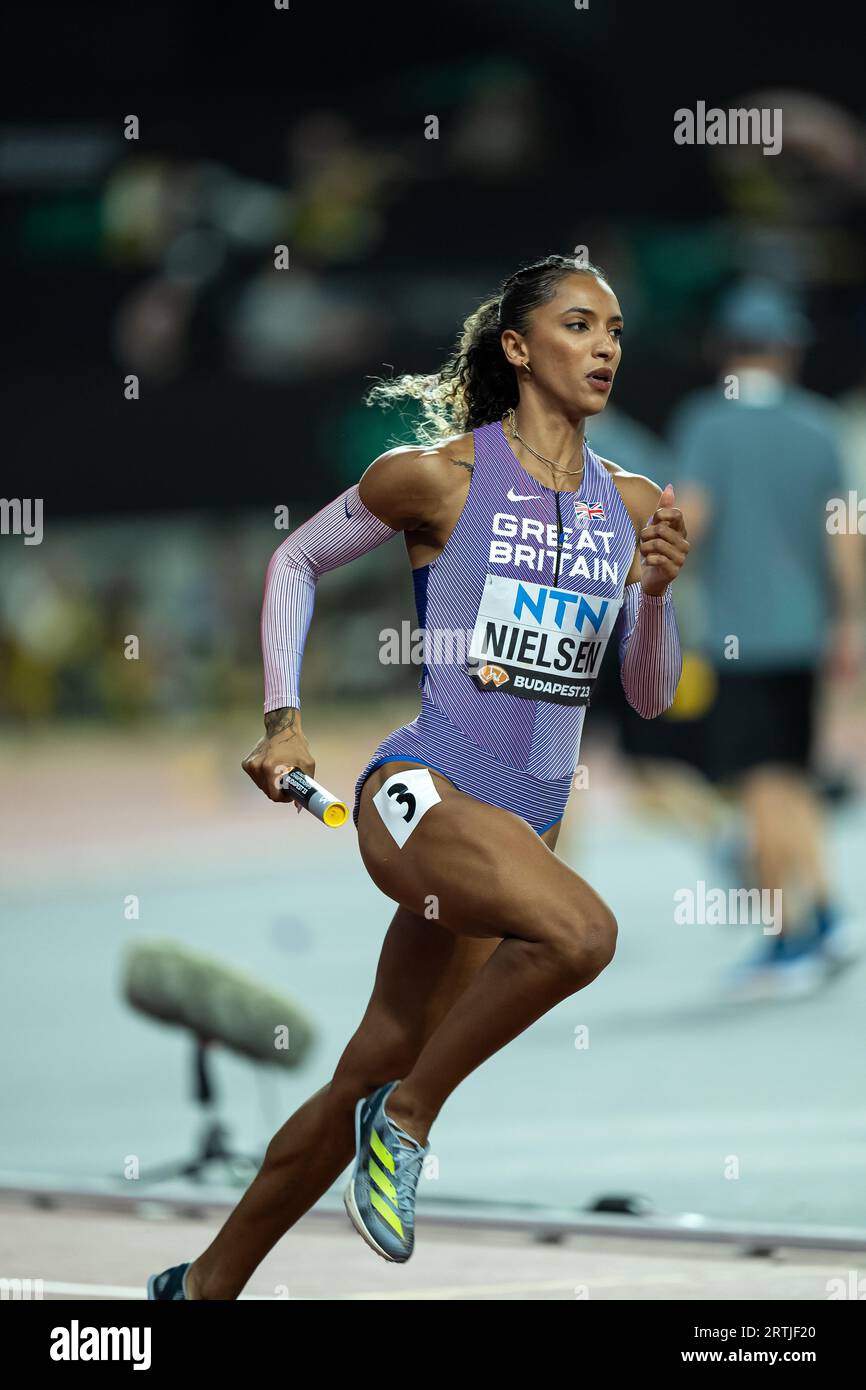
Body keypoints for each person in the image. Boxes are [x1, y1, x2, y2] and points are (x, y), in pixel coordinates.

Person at [148, 252, 687, 1299]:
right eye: (579, 326)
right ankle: (407, 1123)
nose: (605, 347)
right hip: (423, 794)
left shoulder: (627, 503)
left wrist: (656, 596)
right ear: (519, 348)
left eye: (614, 330)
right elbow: (294, 561)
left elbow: (650, 694)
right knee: (581, 936)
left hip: (513, 838)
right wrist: (282, 721)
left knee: (369, 1061)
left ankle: (204, 1285)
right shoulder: (436, 476)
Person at [670, 278, 865, 1001]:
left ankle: (790, 937)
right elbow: (845, 538)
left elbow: (692, 518)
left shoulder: (707, 422)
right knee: (794, 778)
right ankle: (824, 913)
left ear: (726, 349)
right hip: (807, 635)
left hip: (738, 639)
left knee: (760, 788)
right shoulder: (820, 427)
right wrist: (849, 625)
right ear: (788, 350)